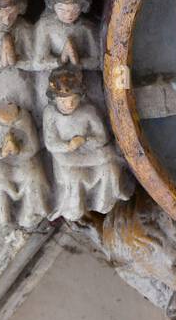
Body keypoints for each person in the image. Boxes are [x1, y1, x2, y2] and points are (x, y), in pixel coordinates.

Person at [42, 69, 133, 221]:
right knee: (75, 177)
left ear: (80, 97)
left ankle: (105, 203)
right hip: (66, 158)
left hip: (89, 151)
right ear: (55, 99)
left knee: (109, 168)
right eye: (64, 101)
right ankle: (74, 209)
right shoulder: (50, 114)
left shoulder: (88, 112)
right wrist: (68, 146)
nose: (69, 104)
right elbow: (50, 142)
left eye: (73, 99)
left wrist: (85, 140)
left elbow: (102, 137)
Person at [0, 102, 46, 227]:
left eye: (13, 123)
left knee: (32, 177)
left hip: (21, 159)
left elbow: (33, 147)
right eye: (5, 124)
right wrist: (1, 153)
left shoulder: (23, 119)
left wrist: (18, 151)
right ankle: (1, 212)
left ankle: (31, 212)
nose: (10, 127)